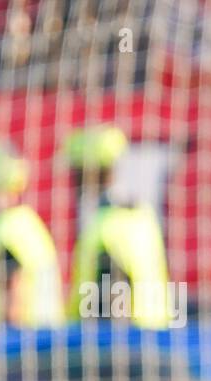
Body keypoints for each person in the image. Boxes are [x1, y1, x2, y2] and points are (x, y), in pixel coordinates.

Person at [64, 125, 172, 329]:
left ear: (92, 170)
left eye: (77, 169)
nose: (73, 178)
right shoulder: (142, 217)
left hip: (117, 351)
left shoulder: (107, 228)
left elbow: (115, 303)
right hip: (154, 342)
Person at [0, 135, 63, 327]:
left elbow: (14, 306)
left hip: (15, 351)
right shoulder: (24, 225)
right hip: (38, 347)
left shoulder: (7, 235)